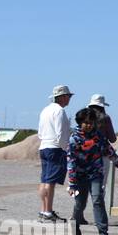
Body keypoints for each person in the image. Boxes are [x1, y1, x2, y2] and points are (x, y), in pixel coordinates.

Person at [66, 106, 118, 235]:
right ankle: (75, 221)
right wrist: (72, 183)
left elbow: (108, 150)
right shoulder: (74, 139)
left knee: (98, 200)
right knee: (80, 203)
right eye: (86, 122)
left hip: (96, 174)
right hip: (79, 176)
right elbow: (71, 161)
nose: (88, 125)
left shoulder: (98, 136)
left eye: (91, 122)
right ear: (80, 122)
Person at [38, 85, 74, 222]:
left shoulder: (45, 110)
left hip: (44, 146)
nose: (69, 99)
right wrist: (64, 147)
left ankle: (43, 209)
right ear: (63, 97)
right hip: (55, 148)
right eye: (68, 96)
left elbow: (40, 132)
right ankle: (48, 212)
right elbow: (61, 132)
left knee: (44, 180)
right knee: (51, 182)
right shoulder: (59, 111)